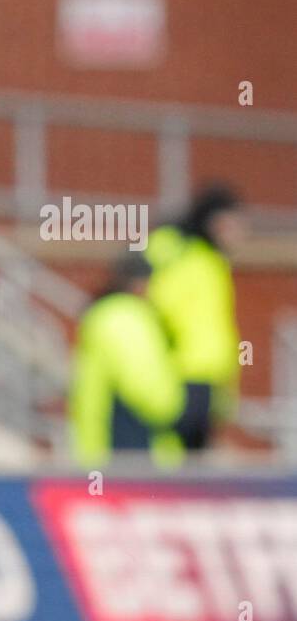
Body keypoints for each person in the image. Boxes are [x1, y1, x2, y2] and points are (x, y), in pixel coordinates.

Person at [146, 185, 244, 451]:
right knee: (178, 453)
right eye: (232, 224)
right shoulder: (185, 255)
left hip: (209, 375)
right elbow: (160, 302)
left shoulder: (212, 262)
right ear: (215, 222)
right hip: (183, 373)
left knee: (195, 454)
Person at [70, 254, 186, 468]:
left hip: (100, 443)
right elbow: (145, 385)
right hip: (130, 441)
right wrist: (175, 408)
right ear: (142, 284)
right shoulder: (126, 318)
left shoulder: (104, 314)